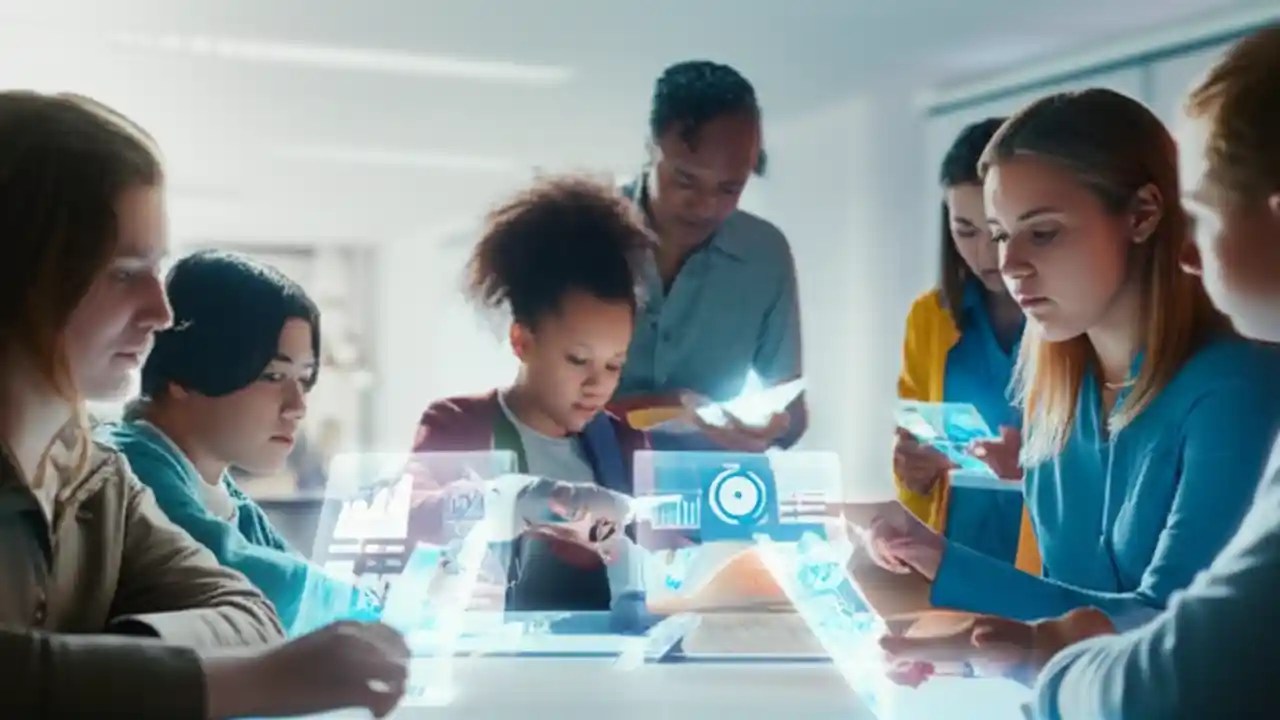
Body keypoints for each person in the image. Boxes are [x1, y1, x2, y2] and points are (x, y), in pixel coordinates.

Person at [880, 27, 1280, 719]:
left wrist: (1015, 642)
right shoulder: (1053, 386)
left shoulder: (1237, 388)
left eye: (1044, 231)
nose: (1008, 266)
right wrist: (947, 571)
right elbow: (1080, 605)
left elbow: (1173, 636)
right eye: (1000, 235)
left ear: (1145, 215)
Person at [0, 91, 407, 719]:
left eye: (156, 270)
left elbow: (250, 612)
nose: (161, 314)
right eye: (122, 273)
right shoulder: (125, 465)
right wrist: (224, 681)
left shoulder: (96, 479)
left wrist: (91, 675)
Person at [98, 249, 379, 636]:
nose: (297, 407)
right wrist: (375, 601)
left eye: (304, 379)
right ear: (186, 373)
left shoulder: (217, 485)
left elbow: (290, 569)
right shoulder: (129, 466)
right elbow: (260, 584)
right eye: (272, 376)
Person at [408, 175, 654, 613]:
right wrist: (516, 500)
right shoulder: (460, 425)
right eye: (578, 360)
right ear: (523, 341)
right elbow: (411, 517)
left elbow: (670, 559)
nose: (597, 383)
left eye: (614, 365)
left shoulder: (625, 443)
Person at [609, 60, 806, 453]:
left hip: (709, 494)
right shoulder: (579, 233)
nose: (706, 206)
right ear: (651, 146)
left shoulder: (764, 255)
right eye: (686, 180)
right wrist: (663, 409)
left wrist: (767, 426)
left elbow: (793, 415)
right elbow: (540, 409)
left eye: (730, 188)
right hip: (580, 492)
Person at [895, 116, 1035, 570]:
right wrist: (912, 476)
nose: (985, 256)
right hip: (954, 560)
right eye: (964, 230)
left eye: (996, 231)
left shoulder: (1075, 318)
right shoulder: (930, 319)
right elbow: (916, 481)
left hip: (1047, 568)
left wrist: (1030, 472)